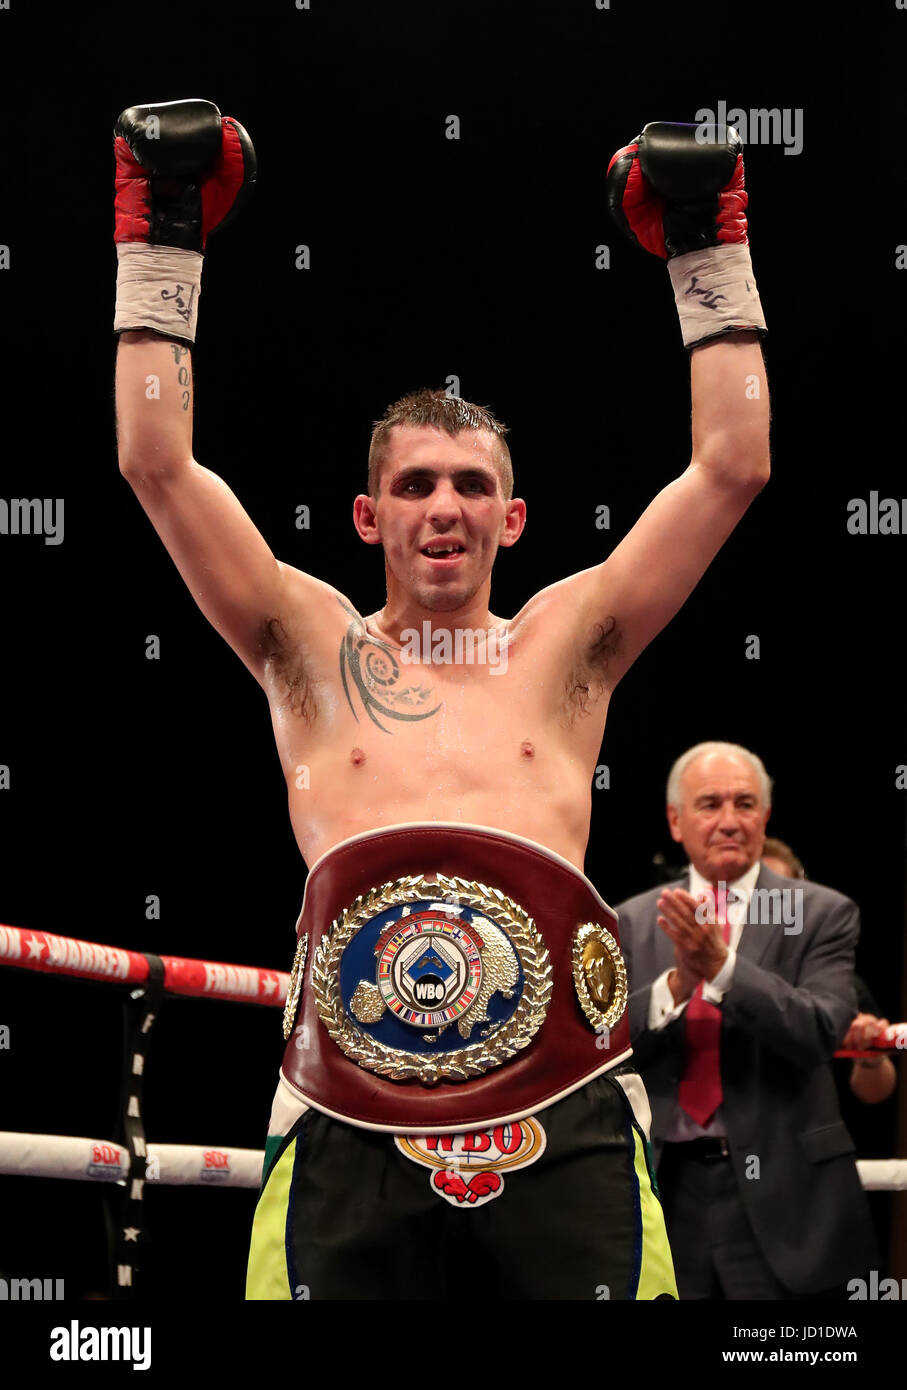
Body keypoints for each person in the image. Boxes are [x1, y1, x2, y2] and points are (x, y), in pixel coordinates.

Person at [112, 99, 770, 1300]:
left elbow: (732, 465)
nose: (443, 507)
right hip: (341, 1107)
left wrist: (707, 250)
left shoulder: (567, 647)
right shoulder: (305, 645)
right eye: (413, 484)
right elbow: (156, 464)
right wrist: (158, 239)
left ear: (511, 521)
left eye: (472, 485)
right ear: (369, 517)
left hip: (565, 1100)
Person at [616, 741, 878, 1299]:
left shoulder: (822, 913)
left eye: (745, 803)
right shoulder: (630, 921)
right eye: (710, 804)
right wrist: (675, 987)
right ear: (675, 820)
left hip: (786, 1194)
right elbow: (606, 1047)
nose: (729, 821)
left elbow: (821, 1029)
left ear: (765, 815)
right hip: (667, 1190)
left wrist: (723, 969)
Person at [760, 838, 897, 1105]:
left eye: (780, 897)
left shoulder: (841, 985)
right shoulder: (708, 982)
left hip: (809, 1139)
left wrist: (870, 1054)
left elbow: (876, 1092)